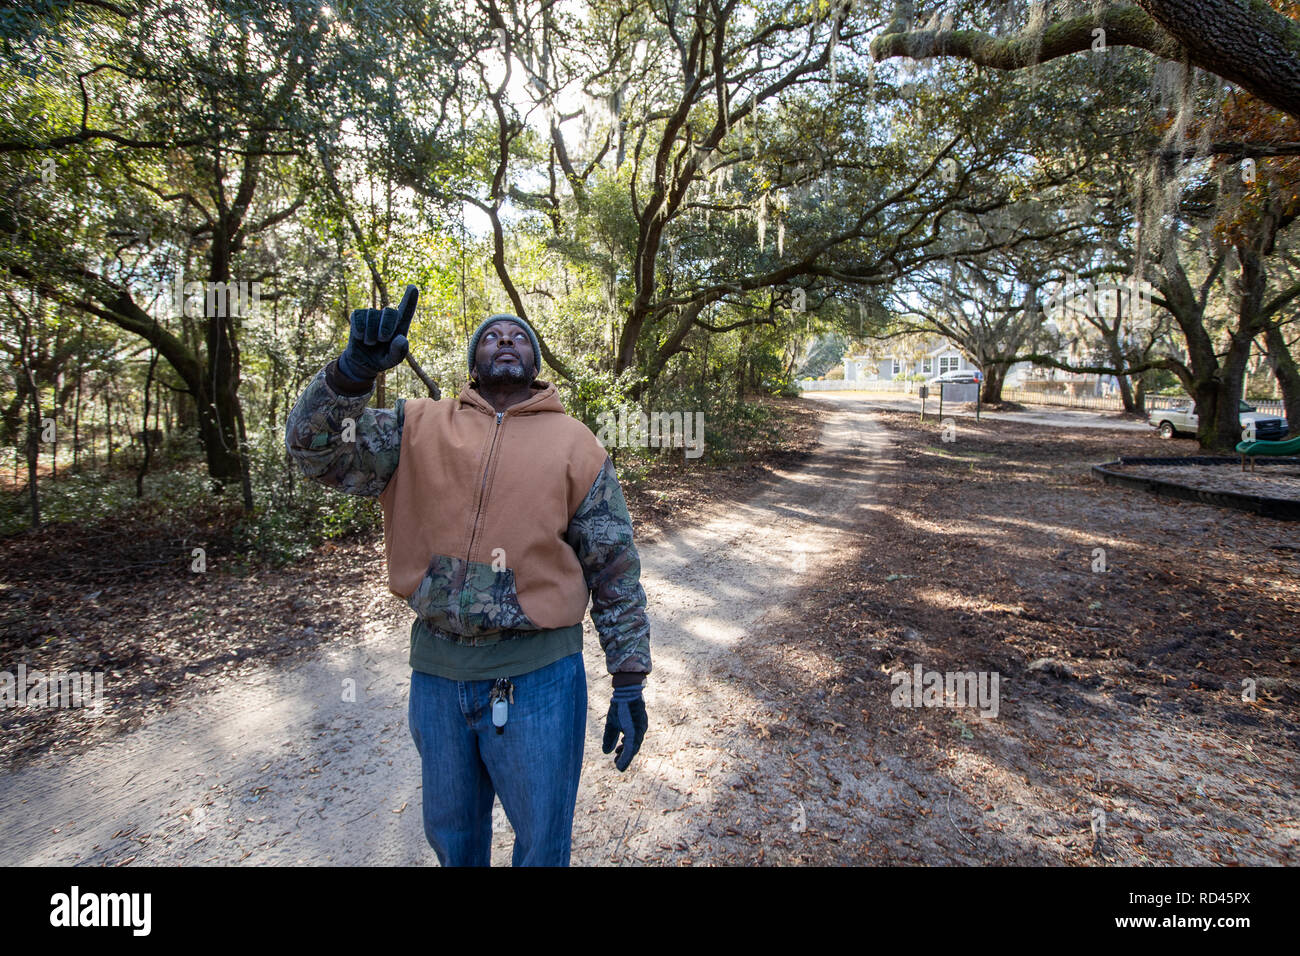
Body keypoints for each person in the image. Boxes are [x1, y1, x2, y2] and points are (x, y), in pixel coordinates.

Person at [284, 285, 651, 866]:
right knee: (455, 847)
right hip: (438, 678)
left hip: (540, 679)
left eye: (519, 337)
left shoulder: (576, 446)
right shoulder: (415, 427)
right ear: (472, 364)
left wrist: (628, 679)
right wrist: (352, 372)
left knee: (541, 848)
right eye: (491, 337)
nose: (505, 341)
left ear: (536, 363)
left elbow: (615, 570)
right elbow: (313, 452)